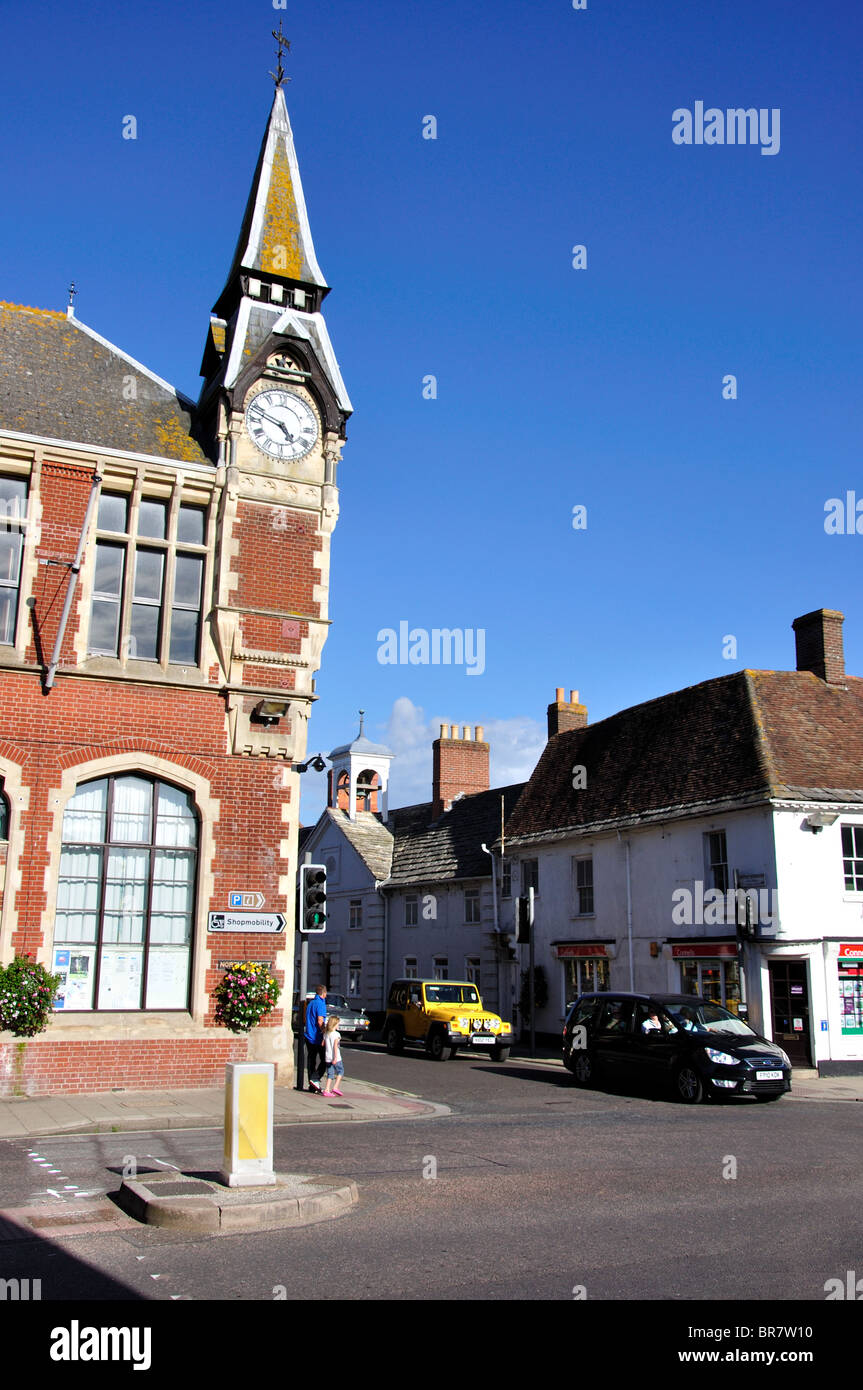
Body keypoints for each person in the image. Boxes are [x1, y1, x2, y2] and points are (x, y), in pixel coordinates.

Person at [304, 984, 328, 1093]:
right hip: (317, 1037)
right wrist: (325, 1032)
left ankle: (312, 1086)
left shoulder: (311, 1003)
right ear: (323, 993)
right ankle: (315, 1078)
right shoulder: (321, 1004)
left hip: (308, 1035)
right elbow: (320, 1021)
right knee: (325, 1060)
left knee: (311, 1060)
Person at [321, 1015, 344, 1097]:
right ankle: (335, 1087)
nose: (338, 1026)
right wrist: (335, 1058)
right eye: (338, 1024)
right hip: (336, 1058)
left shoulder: (326, 1034)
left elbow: (322, 1044)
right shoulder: (336, 1034)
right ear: (334, 1024)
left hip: (328, 1057)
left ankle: (327, 1089)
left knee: (330, 1073)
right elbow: (335, 1047)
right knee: (340, 1071)